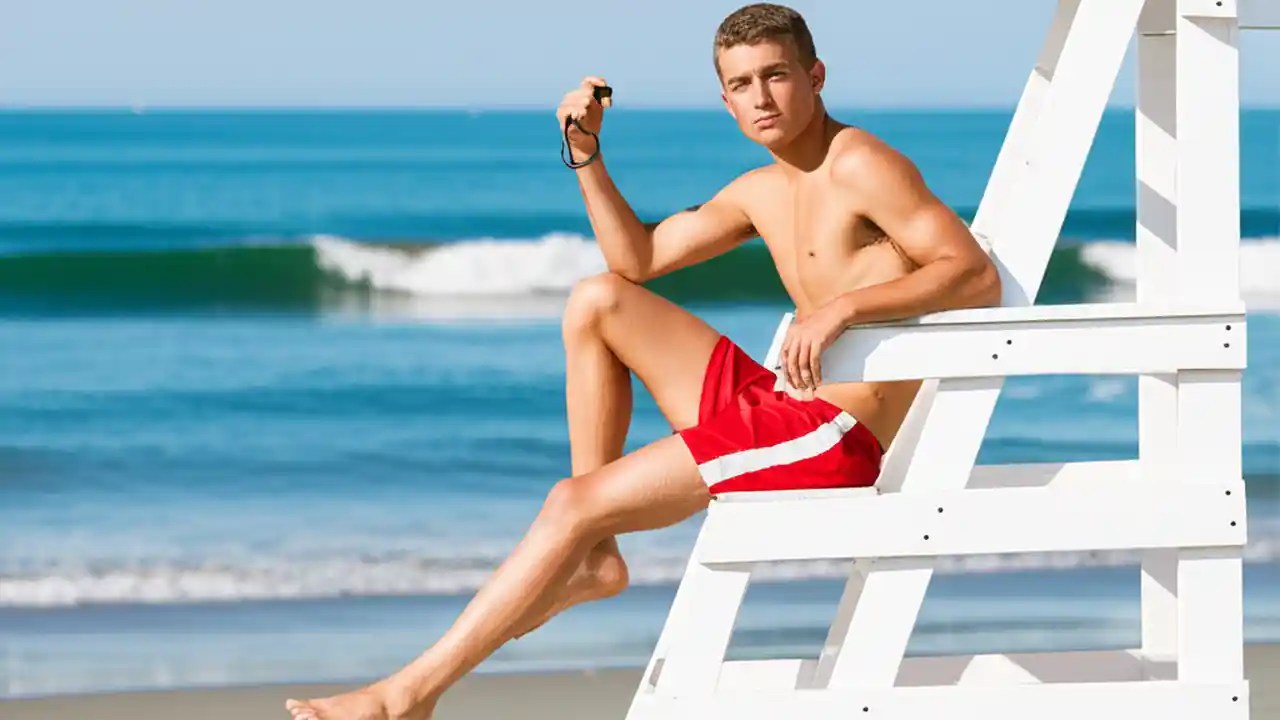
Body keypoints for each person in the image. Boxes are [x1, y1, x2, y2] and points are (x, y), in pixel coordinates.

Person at [285, 3, 1000, 718]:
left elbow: (972, 275)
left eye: (776, 76)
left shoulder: (862, 164)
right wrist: (587, 153)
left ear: (815, 77)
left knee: (570, 505)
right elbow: (638, 258)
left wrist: (843, 308)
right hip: (784, 407)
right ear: (725, 100)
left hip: (837, 436)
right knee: (598, 299)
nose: (761, 97)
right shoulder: (760, 190)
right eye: (742, 84)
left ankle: (404, 697)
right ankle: (594, 555)